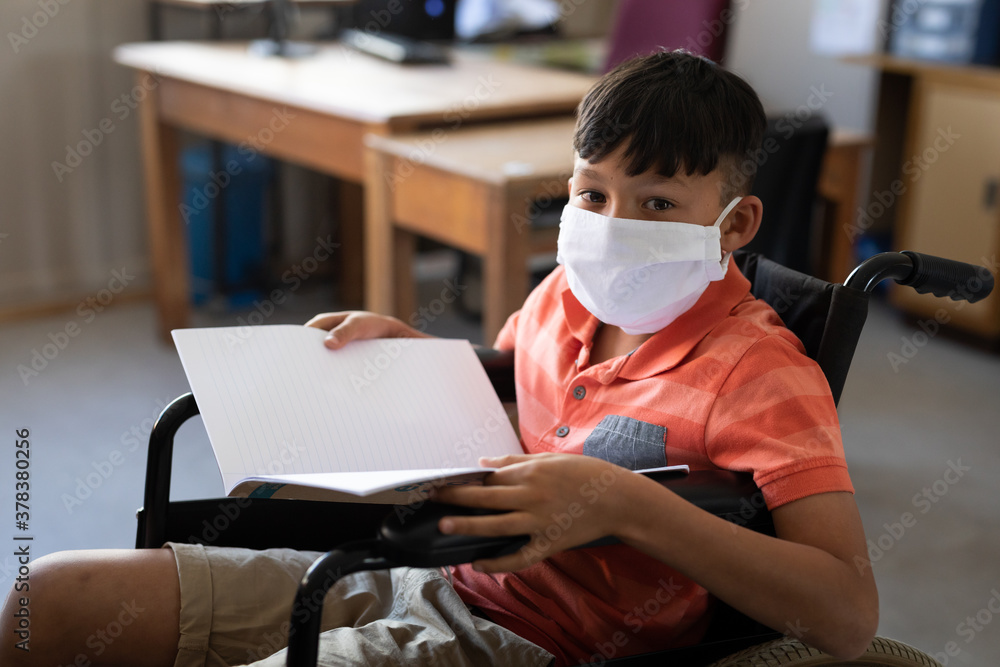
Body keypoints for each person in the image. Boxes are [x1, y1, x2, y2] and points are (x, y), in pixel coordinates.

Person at [1, 50, 878, 667]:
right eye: (591, 192)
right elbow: (512, 388)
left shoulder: (761, 377)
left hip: (539, 639)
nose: (613, 226)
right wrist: (421, 361)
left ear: (735, 224)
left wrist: (628, 505)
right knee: (52, 602)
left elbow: (846, 616)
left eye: (655, 201)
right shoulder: (565, 296)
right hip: (418, 570)